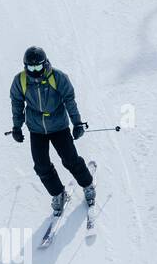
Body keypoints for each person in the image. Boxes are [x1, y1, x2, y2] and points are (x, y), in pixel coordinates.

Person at [10, 47, 96, 216]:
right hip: (36, 129)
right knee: (41, 166)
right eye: (30, 68)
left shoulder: (57, 77)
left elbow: (69, 100)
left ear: (45, 63)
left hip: (58, 126)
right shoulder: (20, 80)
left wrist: (77, 123)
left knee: (70, 159)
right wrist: (17, 126)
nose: (34, 71)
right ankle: (58, 193)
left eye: (38, 67)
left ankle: (87, 184)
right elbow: (17, 104)